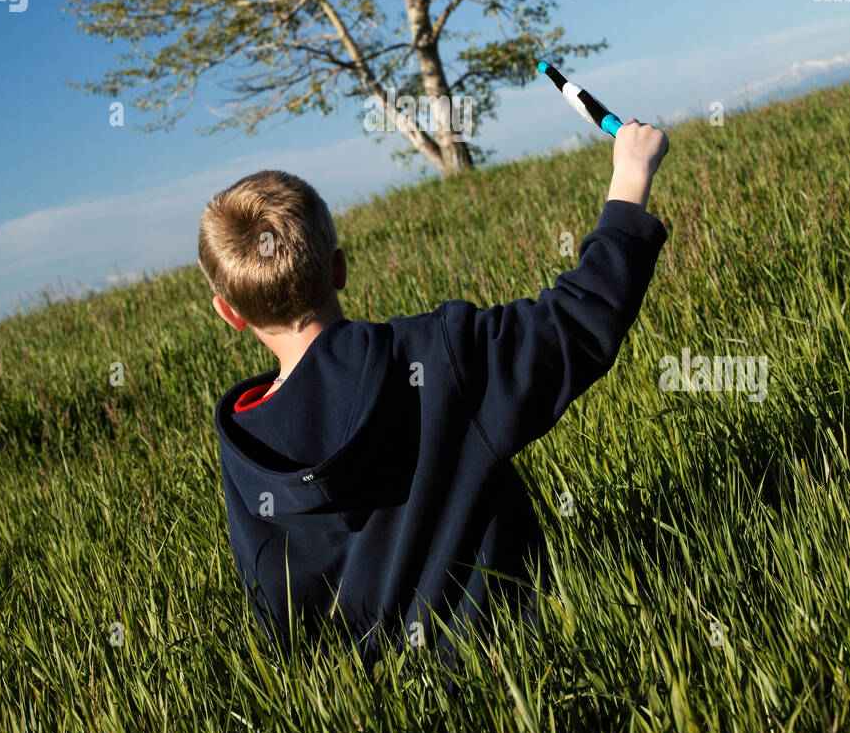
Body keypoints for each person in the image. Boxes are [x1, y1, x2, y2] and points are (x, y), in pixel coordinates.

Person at [198, 120, 669, 665]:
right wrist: (631, 177)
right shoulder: (437, 353)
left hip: (376, 720)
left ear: (229, 313)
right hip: (516, 671)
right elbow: (577, 326)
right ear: (340, 268)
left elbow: (274, 599)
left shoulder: (244, 442)